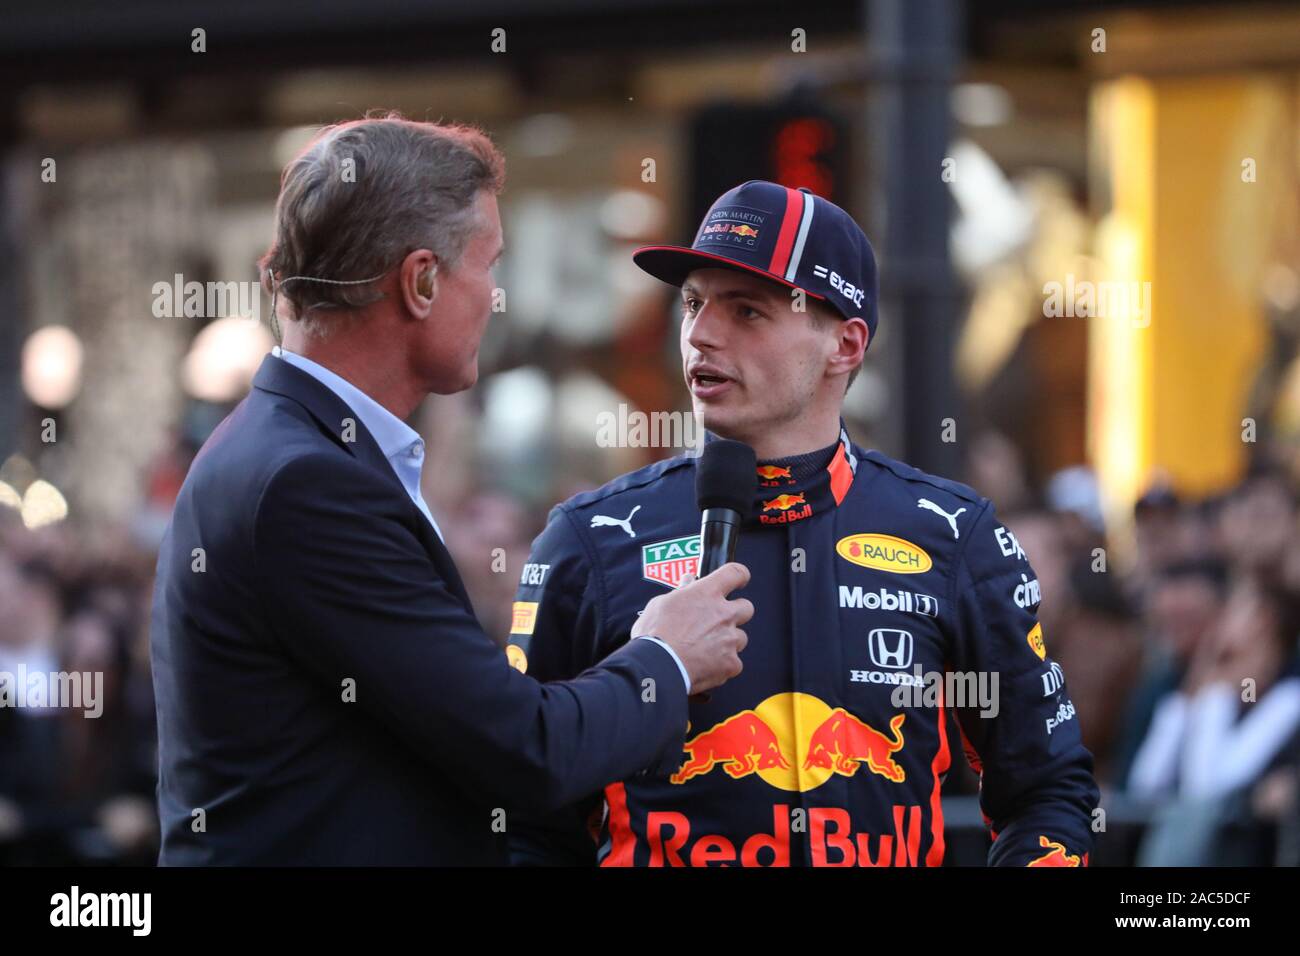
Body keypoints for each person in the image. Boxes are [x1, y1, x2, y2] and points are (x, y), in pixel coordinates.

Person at [149, 116, 753, 866]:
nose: (495, 297)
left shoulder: (294, 450)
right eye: (490, 265)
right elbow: (523, 751)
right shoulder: (307, 481)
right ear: (422, 281)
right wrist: (666, 656)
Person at [507, 180, 1099, 867]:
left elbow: (1048, 791)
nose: (701, 333)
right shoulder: (591, 541)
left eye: (748, 312)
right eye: (693, 304)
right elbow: (526, 819)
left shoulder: (954, 535)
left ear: (845, 345)